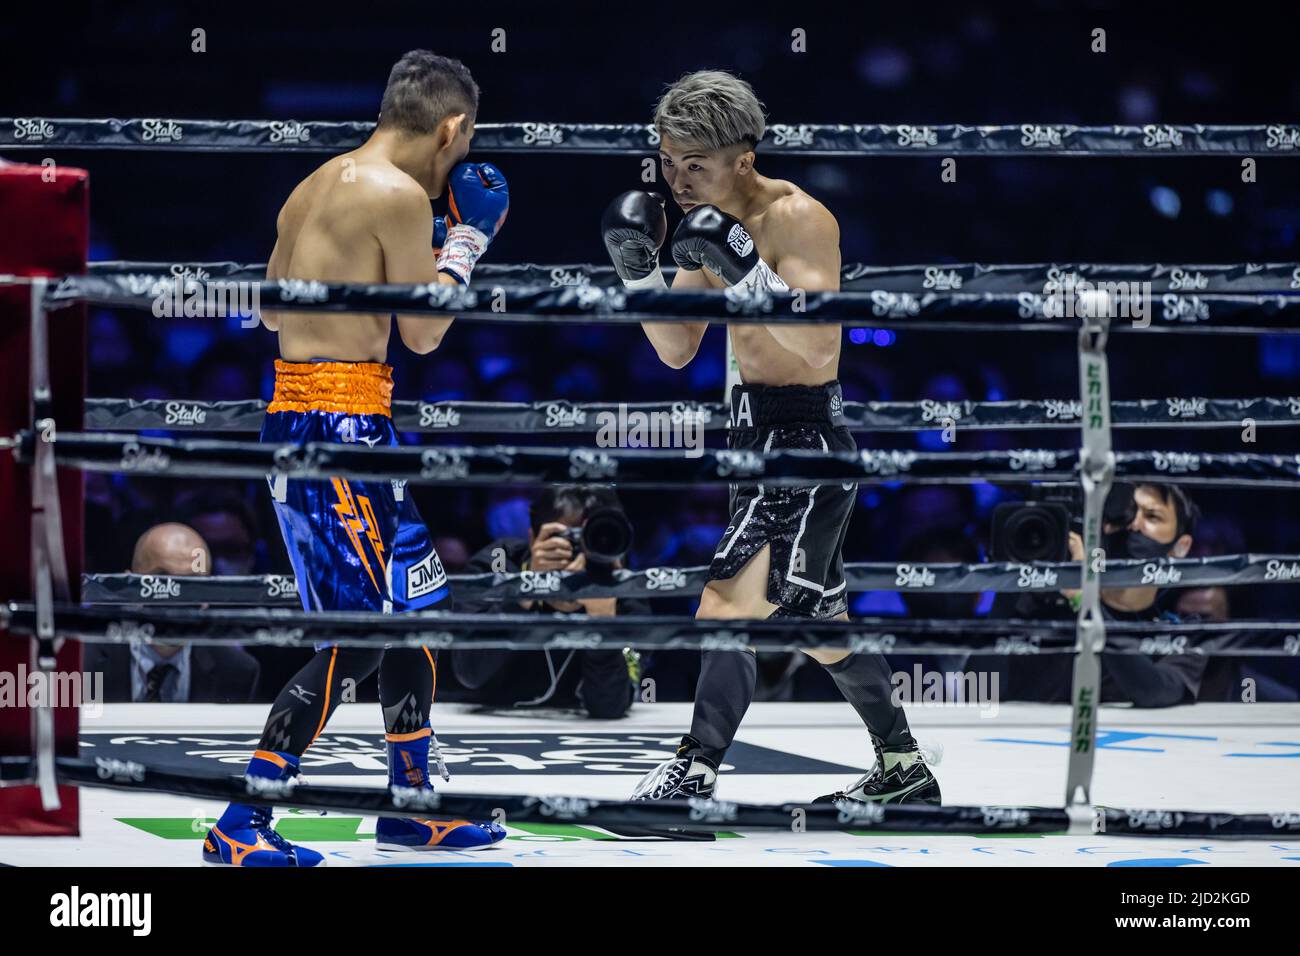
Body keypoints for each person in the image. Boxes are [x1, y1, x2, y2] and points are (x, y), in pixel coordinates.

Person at [203, 50, 510, 867]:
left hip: (327, 421)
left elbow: (268, 311)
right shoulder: (402, 197)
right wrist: (466, 243)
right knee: (361, 635)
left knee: (411, 613)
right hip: (337, 429)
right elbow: (424, 332)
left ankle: (412, 808)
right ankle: (242, 822)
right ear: (453, 128)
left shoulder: (313, 184)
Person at [601, 71, 938, 807]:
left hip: (803, 437)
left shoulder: (799, 219)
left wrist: (747, 272)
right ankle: (904, 768)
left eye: (696, 164)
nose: (677, 180)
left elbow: (819, 349)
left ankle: (693, 775)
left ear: (742, 159)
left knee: (727, 604)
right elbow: (677, 347)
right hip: (751, 435)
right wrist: (638, 273)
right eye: (667, 162)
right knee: (816, 621)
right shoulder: (703, 225)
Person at [993, 482, 1208, 707]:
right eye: (1125, 514)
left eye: (1152, 516)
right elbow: (977, 689)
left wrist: (1083, 600)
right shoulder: (1043, 606)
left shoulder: (1182, 632)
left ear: (1181, 547)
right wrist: (1013, 575)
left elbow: (1154, 691)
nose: (1133, 524)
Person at [452, 486, 642, 717]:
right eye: (566, 539)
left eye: (592, 540)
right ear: (533, 538)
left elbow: (610, 706)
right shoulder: (499, 566)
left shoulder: (626, 588)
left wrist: (603, 621)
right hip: (485, 726)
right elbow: (469, 674)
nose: (578, 554)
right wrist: (524, 591)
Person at [85, 523, 260, 703]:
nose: (176, 598)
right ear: (129, 587)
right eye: (162, 582)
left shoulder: (237, 671)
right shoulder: (80, 665)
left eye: (191, 584)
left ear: (209, 593)